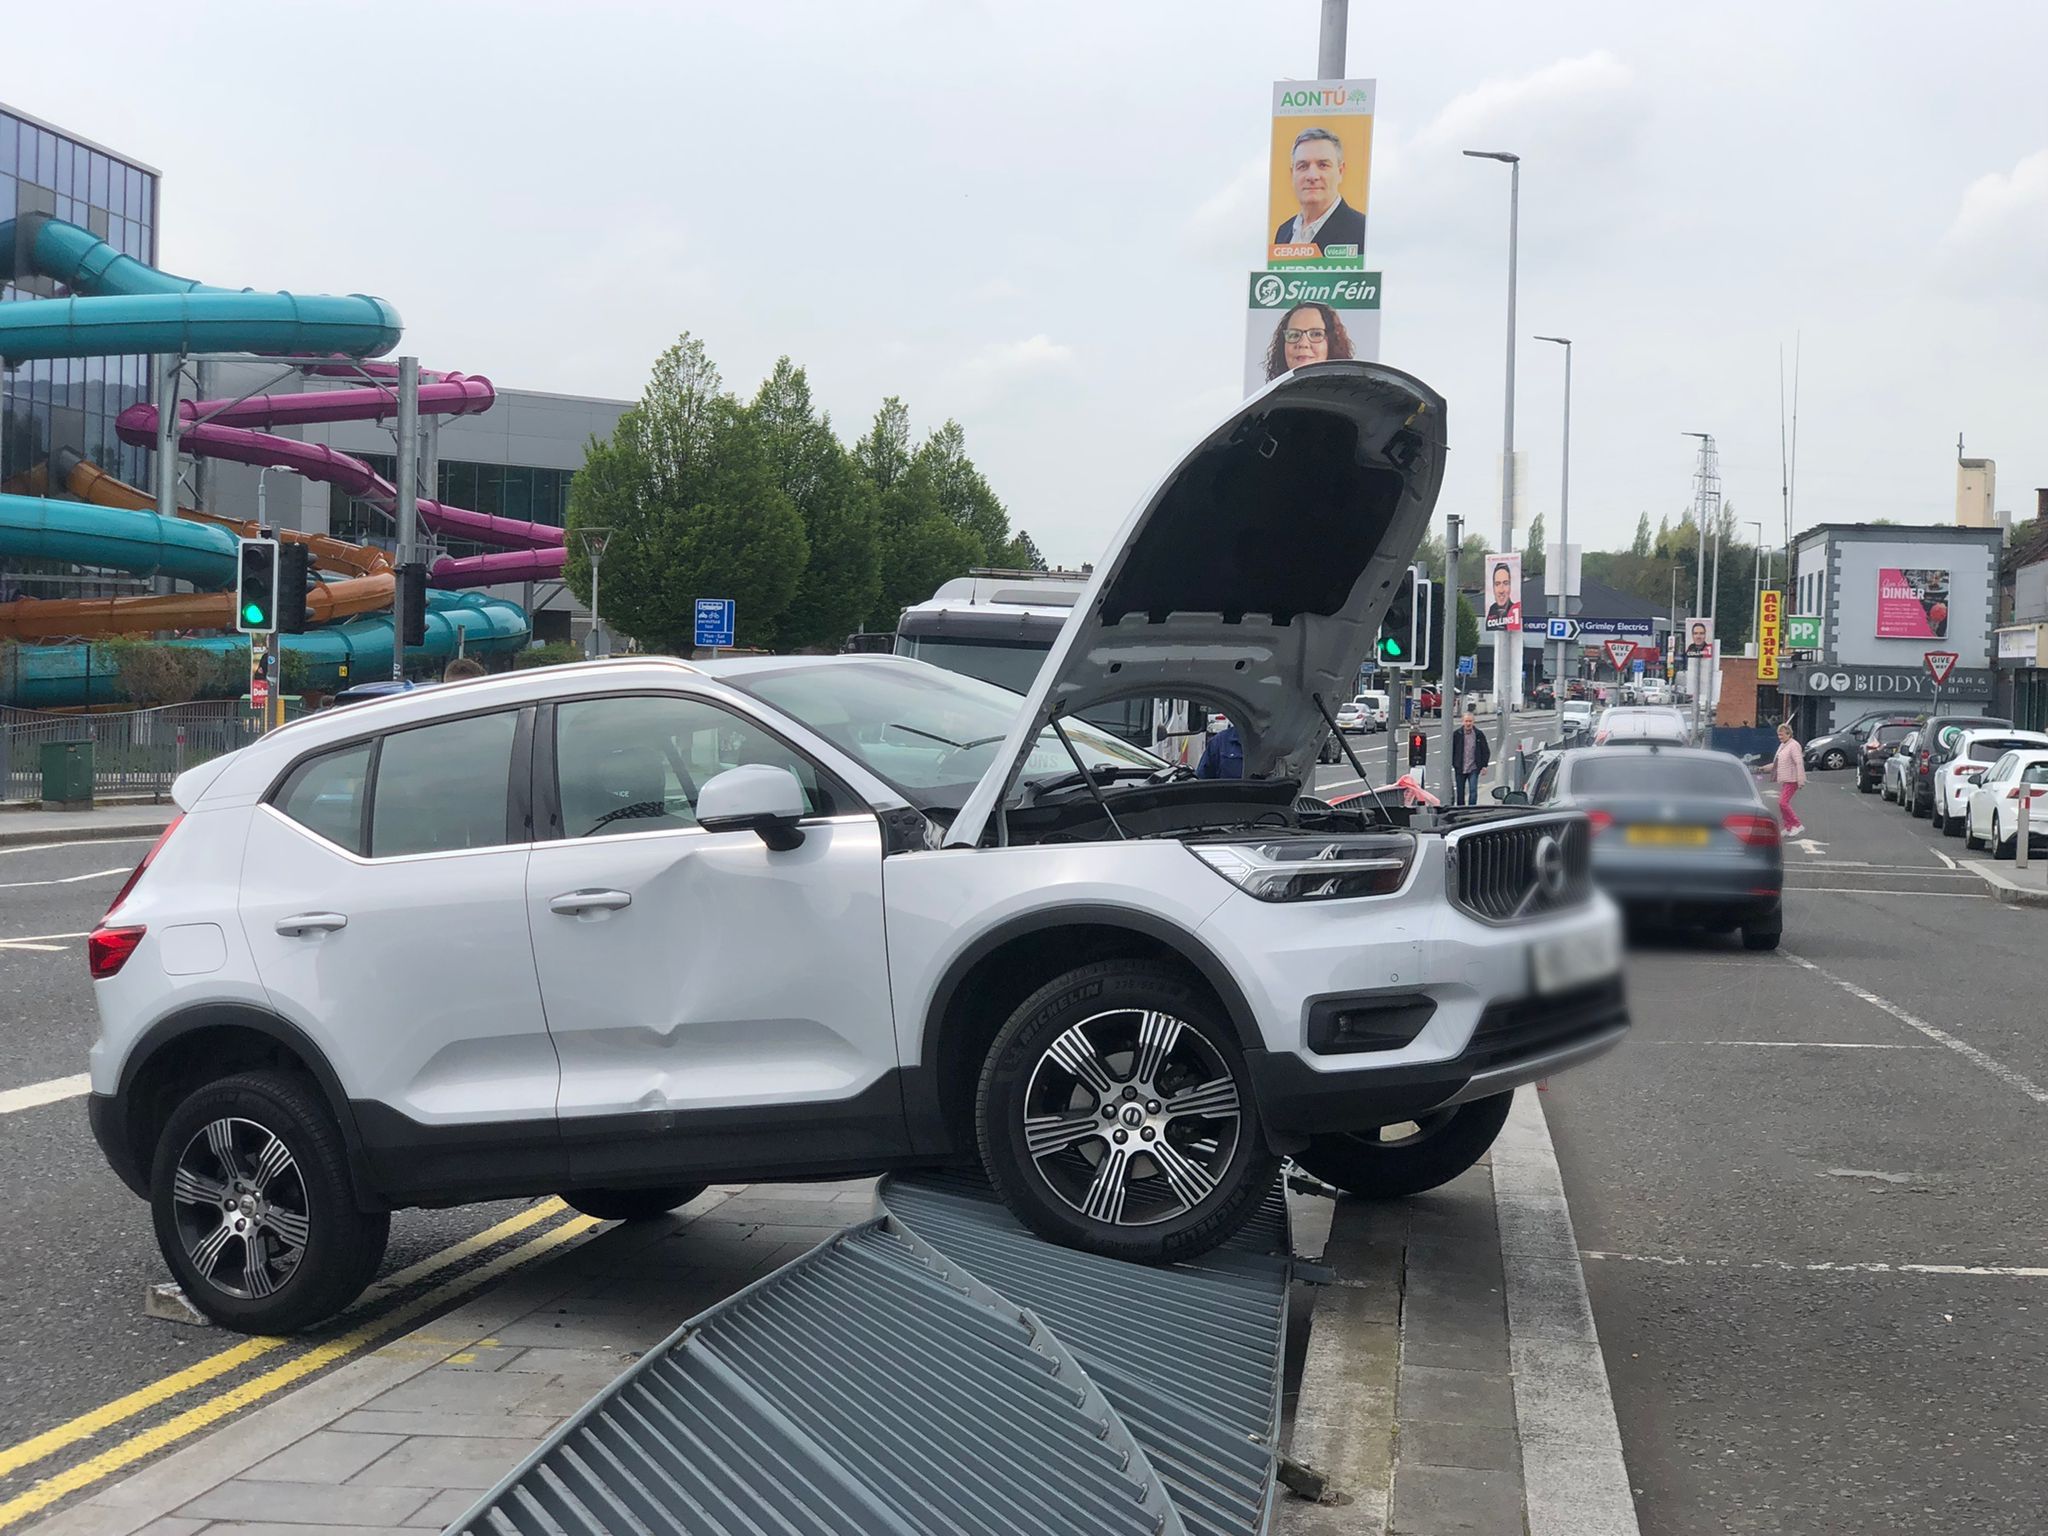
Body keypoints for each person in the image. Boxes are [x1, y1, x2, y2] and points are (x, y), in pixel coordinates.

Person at [1272, 127, 1368, 256]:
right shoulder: (1284, 232)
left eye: (1323, 165)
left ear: (1340, 171)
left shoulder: (1363, 231)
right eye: (1303, 166)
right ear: (1292, 174)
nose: (1312, 176)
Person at [1262, 301, 1356, 381]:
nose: (1303, 344)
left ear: (1333, 343)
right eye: (1294, 335)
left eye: (1316, 334)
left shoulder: (1351, 400)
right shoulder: (1269, 401)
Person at [1763, 721, 1807, 838]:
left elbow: (1799, 762)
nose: (1779, 737)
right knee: (1782, 803)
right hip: (1786, 779)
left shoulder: (1794, 745)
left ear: (1789, 734)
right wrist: (1763, 768)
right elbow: (1776, 763)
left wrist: (1800, 779)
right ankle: (1788, 827)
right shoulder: (1783, 746)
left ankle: (1797, 825)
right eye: (1778, 735)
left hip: (1793, 779)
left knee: (1782, 802)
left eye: (1782, 734)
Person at [1451, 709, 1490, 806]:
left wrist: (1484, 765)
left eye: (1470, 721)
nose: (1468, 723)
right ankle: (1460, 810)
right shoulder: (1457, 734)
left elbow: (1485, 750)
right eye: (1466, 721)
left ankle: (1471, 809)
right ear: (1462, 722)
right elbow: (1452, 750)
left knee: (1473, 790)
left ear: (1473, 721)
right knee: (1460, 791)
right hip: (1460, 767)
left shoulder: (1478, 734)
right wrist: (1454, 763)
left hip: (1474, 767)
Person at [1484, 562, 1520, 631]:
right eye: (1497, 584)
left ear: (1510, 586)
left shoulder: (1514, 610)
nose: (1501, 591)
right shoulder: (1492, 609)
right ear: (1493, 587)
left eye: (1505, 583)